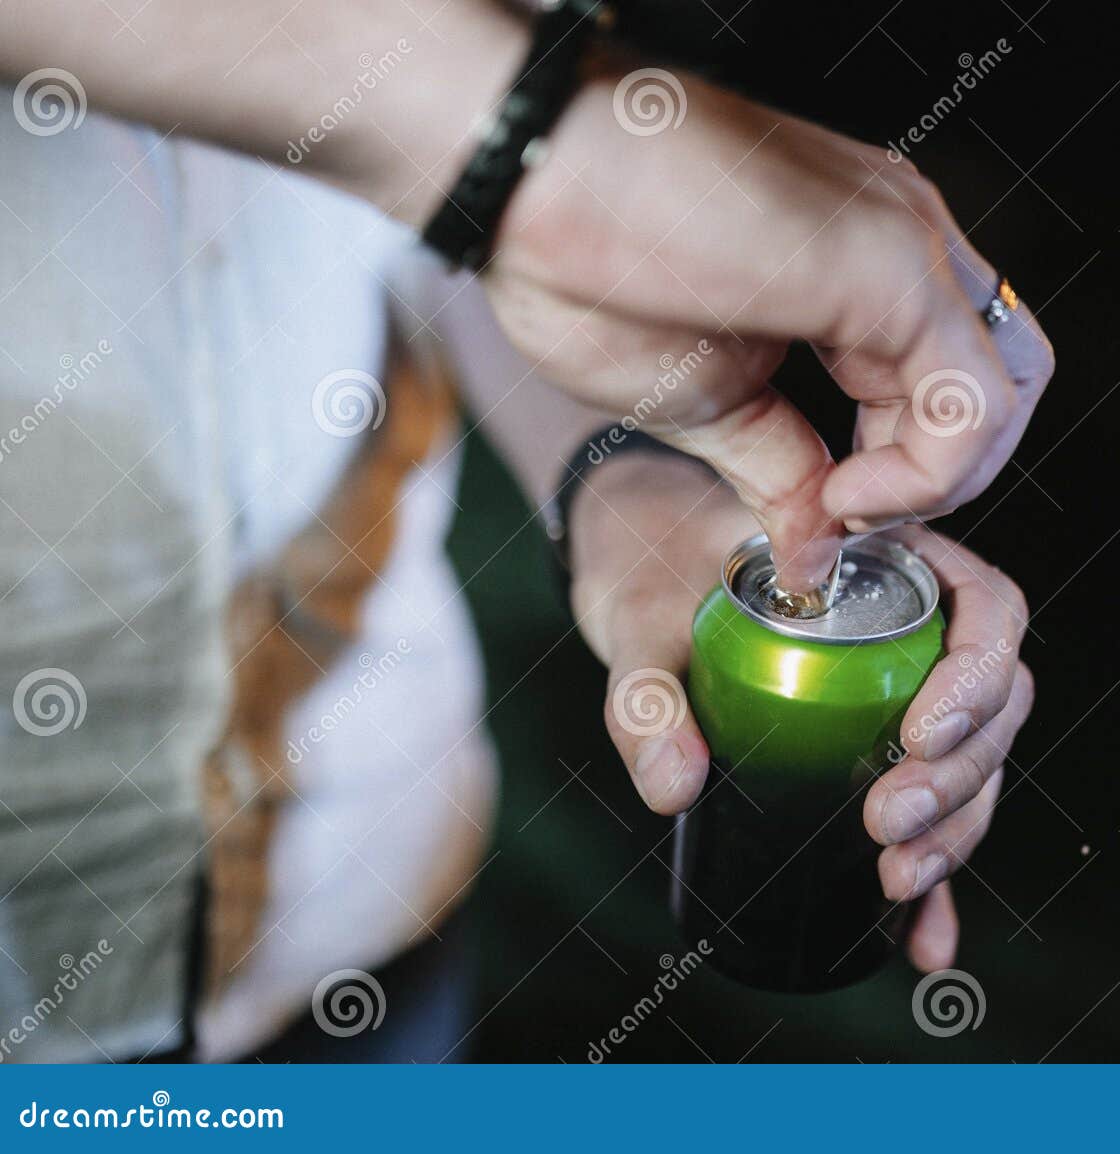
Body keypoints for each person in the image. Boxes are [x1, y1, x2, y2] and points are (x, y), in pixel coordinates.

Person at [0, 0, 1053, 1060]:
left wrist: (632, 488)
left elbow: (428, 230)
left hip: (374, 898)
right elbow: (471, 149)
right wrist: (532, 140)